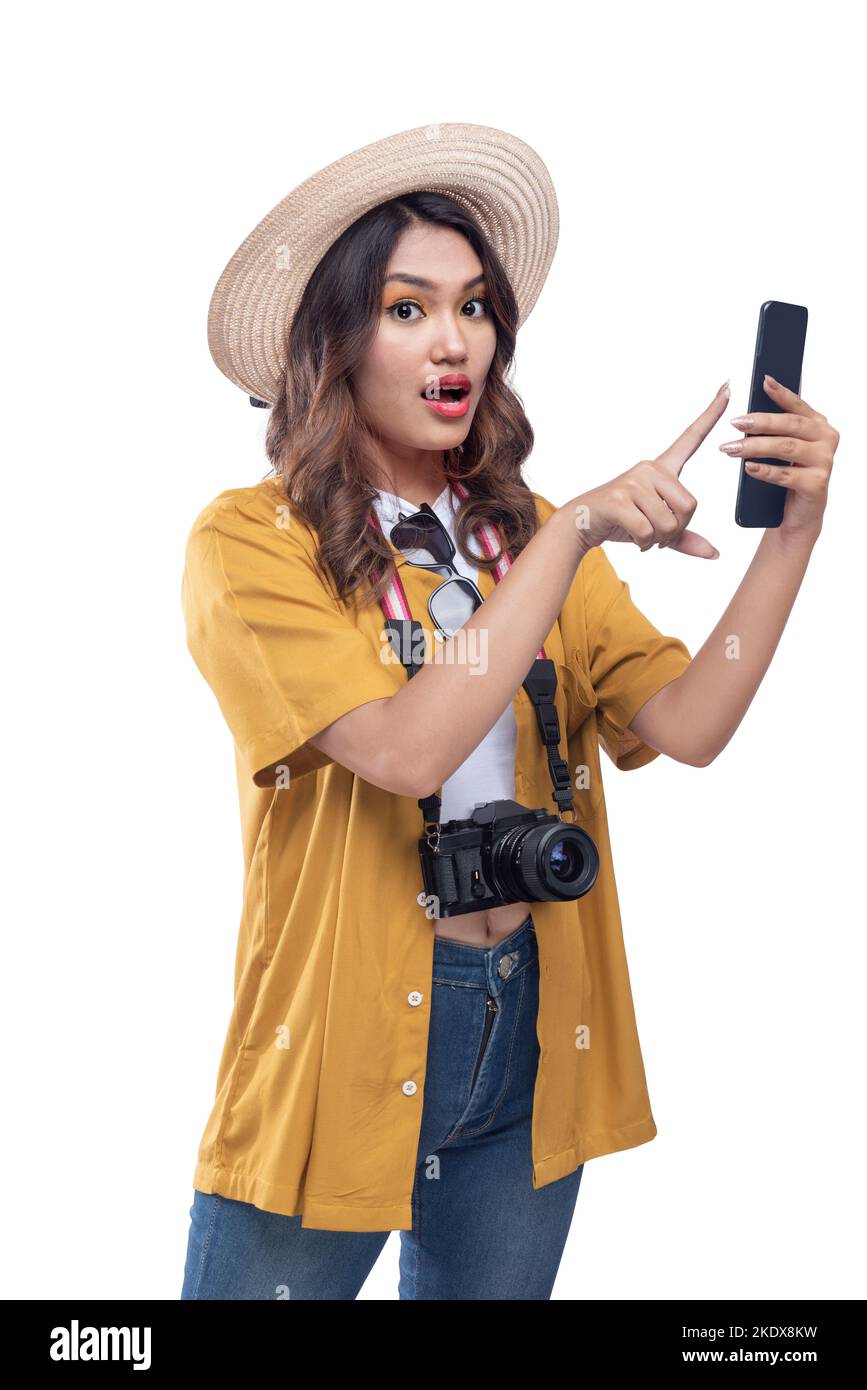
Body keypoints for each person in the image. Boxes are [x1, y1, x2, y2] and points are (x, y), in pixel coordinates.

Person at [179, 124, 838, 1300]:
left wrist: (791, 538)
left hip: (529, 1027)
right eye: (405, 307)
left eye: (475, 306)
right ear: (330, 340)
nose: (454, 341)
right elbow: (402, 747)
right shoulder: (251, 542)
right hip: (344, 1040)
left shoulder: (525, 533)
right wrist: (574, 531)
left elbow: (688, 722)